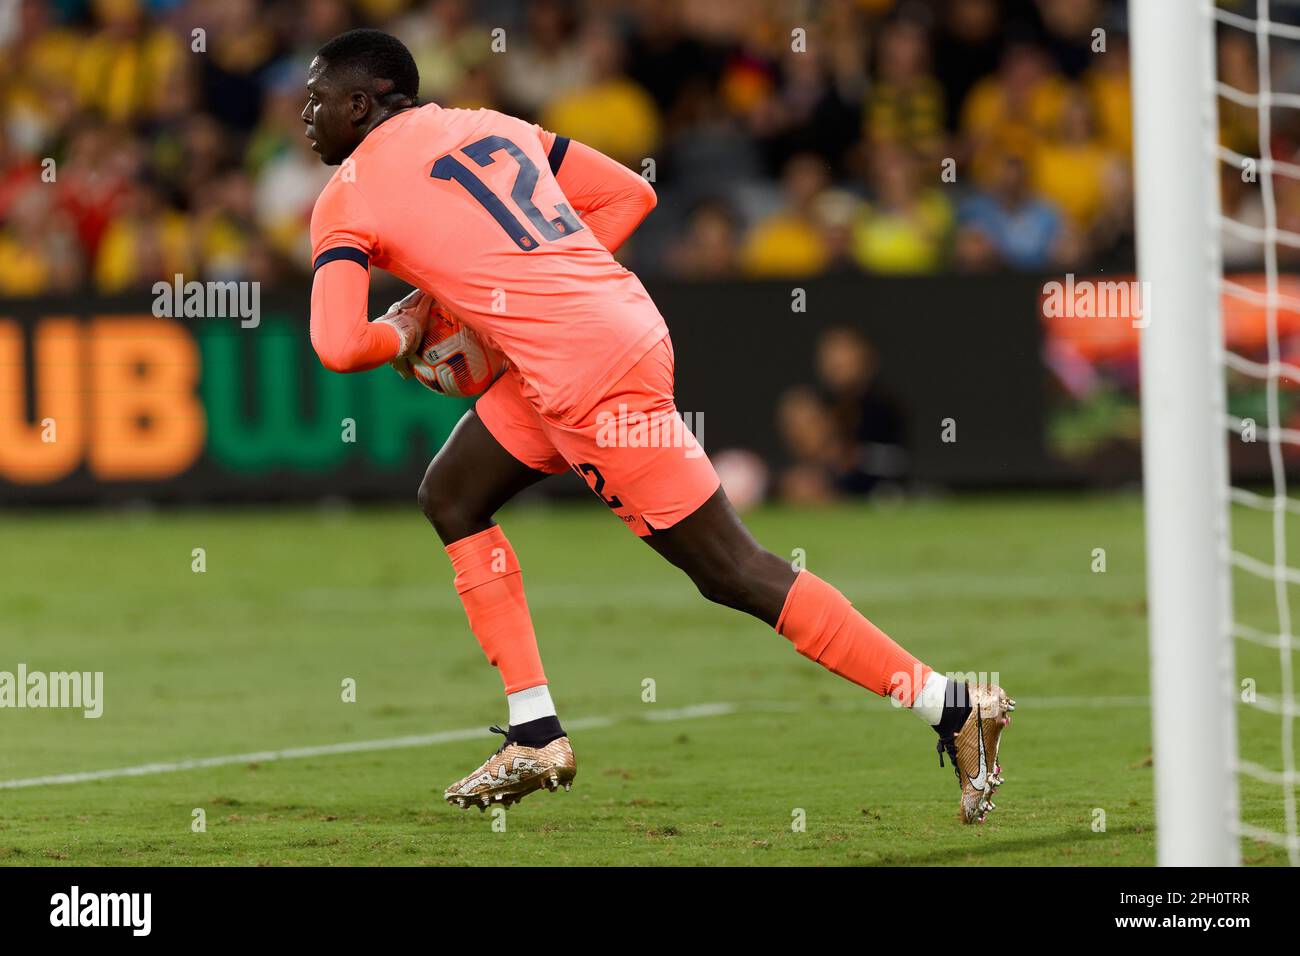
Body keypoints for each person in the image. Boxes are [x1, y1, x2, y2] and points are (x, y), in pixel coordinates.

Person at [303, 29, 1014, 824]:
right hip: (619, 328)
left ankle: (951, 705)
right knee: (454, 495)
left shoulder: (348, 193)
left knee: (733, 570)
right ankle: (535, 728)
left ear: (362, 104)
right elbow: (628, 197)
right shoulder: (490, 125)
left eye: (317, 97)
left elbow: (336, 345)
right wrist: (535, 296)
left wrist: (409, 330)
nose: (305, 114)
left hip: (582, 379)